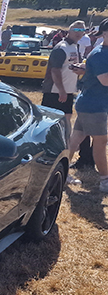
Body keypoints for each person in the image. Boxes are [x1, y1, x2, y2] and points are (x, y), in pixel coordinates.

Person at [67, 18, 108, 192]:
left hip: (90, 104)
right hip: (94, 106)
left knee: (75, 140)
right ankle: (105, 180)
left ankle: (57, 169)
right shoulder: (100, 54)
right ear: (105, 34)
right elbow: (105, 81)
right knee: (100, 142)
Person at [42, 20, 86, 155]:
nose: (79, 33)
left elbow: (69, 66)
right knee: (50, 122)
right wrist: (61, 90)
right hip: (55, 91)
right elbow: (54, 70)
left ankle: (62, 149)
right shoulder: (61, 47)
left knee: (66, 120)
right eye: (76, 30)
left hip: (68, 90)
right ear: (69, 31)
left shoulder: (75, 47)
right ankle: (46, 149)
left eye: (82, 31)